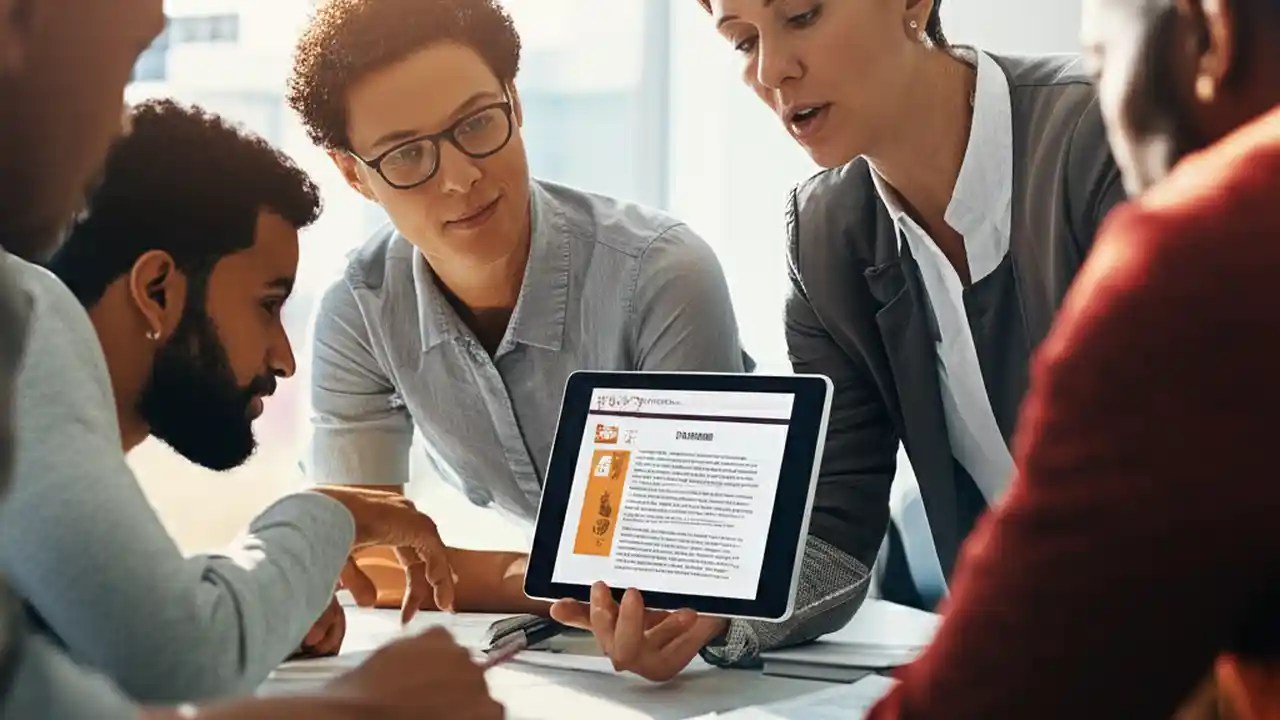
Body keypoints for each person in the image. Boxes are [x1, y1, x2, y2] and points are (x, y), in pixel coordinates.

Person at [556, 0, 1127, 679]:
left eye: (801, 16)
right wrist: (718, 612)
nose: (772, 71)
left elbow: (1193, 476)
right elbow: (836, 528)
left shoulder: (1109, 137)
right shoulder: (827, 232)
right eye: (742, 41)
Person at [0, 1, 501, 718]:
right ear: (157, 290)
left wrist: (266, 605)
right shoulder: (26, 306)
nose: (285, 357)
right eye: (269, 304)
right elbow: (180, 656)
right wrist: (328, 521)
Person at [285, 0, 756, 664]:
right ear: (352, 173)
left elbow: (683, 567)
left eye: (477, 123)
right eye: (406, 154)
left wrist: (478, 571)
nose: (460, 177)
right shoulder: (361, 311)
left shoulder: (659, 273)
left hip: (792, 620)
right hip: (599, 645)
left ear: (515, 101)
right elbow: (366, 565)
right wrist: (556, 590)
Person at [859, 0, 1280, 717]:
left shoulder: (1208, 250)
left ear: (1209, 34)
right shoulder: (828, 227)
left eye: (1103, 65)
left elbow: (1000, 689)